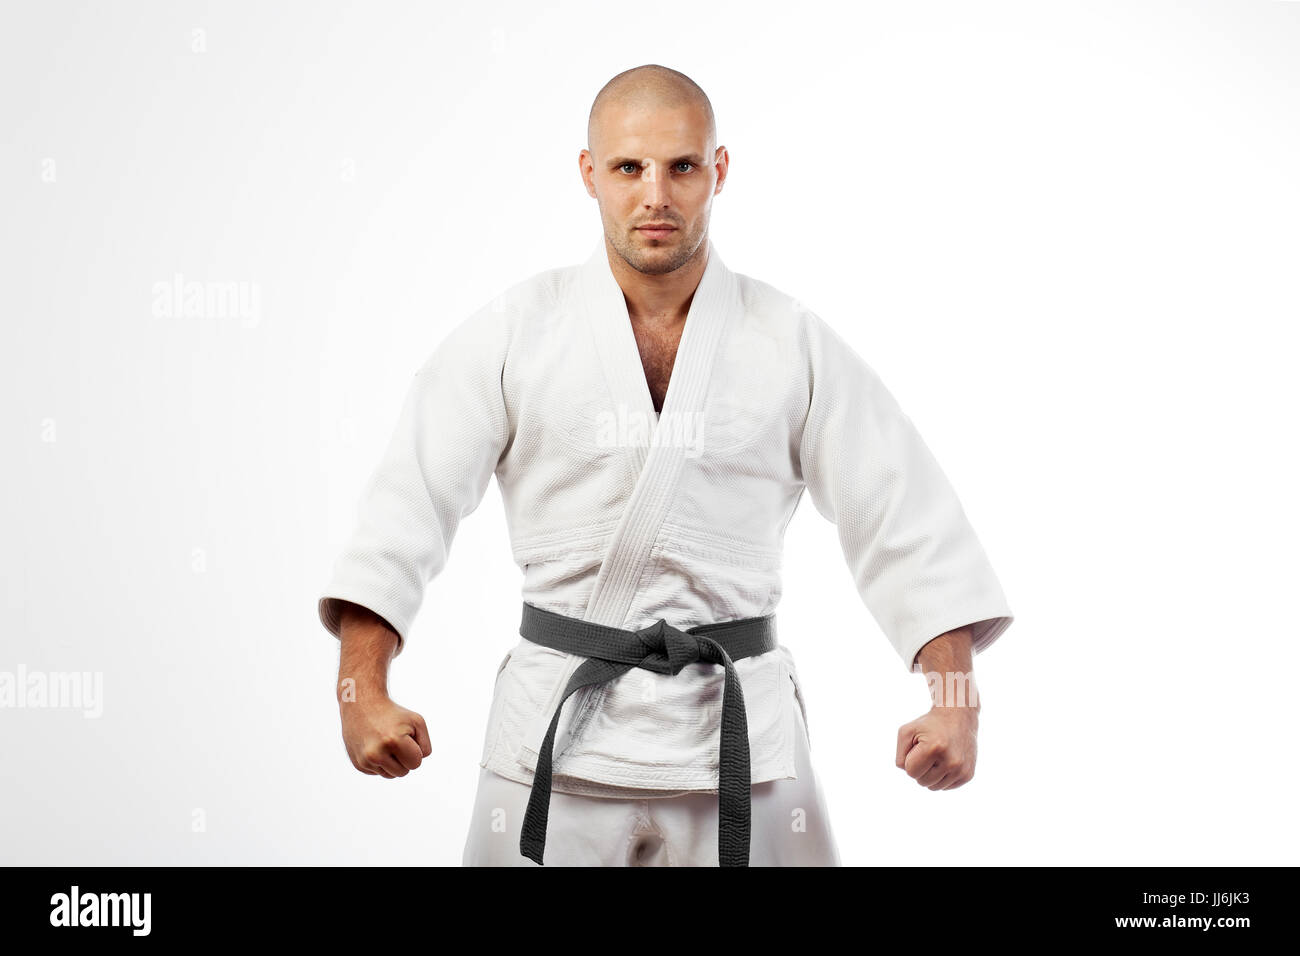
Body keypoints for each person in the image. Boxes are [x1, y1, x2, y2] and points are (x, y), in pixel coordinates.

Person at [317, 63, 1014, 867]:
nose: (656, 194)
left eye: (682, 166)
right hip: (553, 739)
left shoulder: (789, 341)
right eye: (628, 167)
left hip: (741, 743)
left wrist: (955, 703)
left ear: (718, 171)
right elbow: (407, 508)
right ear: (589, 174)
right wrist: (361, 689)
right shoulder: (513, 334)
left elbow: (906, 520)